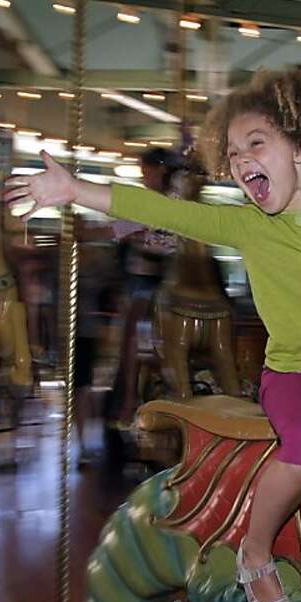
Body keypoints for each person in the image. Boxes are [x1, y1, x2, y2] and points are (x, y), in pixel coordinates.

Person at [5, 68, 301, 602]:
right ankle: (254, 554)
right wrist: (74, 190)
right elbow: (163, 210)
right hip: (295, 376)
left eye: (256, 144)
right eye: (233, 154)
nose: (240, 161)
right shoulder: (251, 226)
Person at [110, 147, 181, 423]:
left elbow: (167, 239)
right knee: (132, 324)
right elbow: (121, 228)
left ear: (160, 170)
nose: (145, 177)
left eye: (147, 171)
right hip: (151, 278)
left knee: (133, 323)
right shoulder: (148, 201)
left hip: (162, 276)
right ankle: (129, 395)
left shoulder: (167, 201)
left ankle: (129, 399)